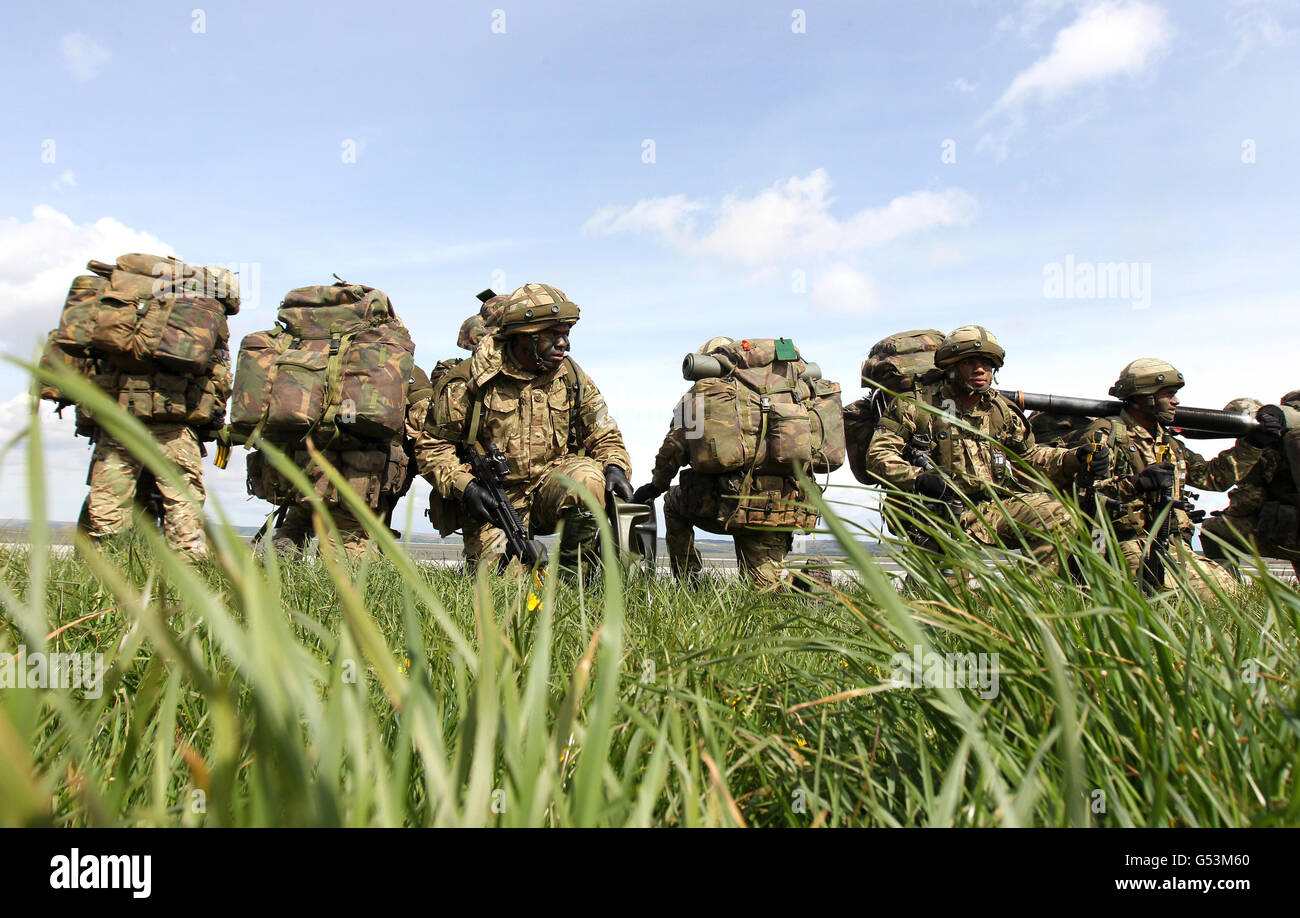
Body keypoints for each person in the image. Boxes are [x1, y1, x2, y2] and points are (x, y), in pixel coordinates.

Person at [415, 283, 632, 572]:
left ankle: (573, 578)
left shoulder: (571, 376)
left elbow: (604, 434)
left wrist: (615, 465)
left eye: (565, 335)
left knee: (589, 480)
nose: (563, 344)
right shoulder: (469, 381)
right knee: (501, 593)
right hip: (491, 501)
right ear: (523, 337)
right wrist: (465, 487)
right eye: (552, 336)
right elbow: (431, 446)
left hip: (549, 488)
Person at [866, 325, 1095, 571]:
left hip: (992, 509)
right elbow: (878, 456)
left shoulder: (999, 409)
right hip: (938, 515)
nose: (980, 369)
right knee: (953, 601)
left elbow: (1029, 455)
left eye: (987, 363)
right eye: (970, 363)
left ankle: (1034, 603)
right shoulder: (916, 406)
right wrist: (920, 479)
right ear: (951, 367)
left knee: (1056, 515)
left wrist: (1075, 457)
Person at [632, 337, 835, 590]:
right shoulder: (795, 392)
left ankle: (691, 582)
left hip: (726, 504)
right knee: (762, 590)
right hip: (785, 504)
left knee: (672, 502)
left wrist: (655, 486)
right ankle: (800, 583)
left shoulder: (701, 397)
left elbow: (673, 450)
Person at [1079, 360, 1280, 596]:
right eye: (1169, 394)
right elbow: (1088, 496)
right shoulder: (1107, 435)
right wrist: (1136, 484)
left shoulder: (1168, 441)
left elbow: (1211, 477)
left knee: (1234, 596)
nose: (1176, 401)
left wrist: (1254, 444)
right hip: (1126, 545)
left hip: (1172, 544)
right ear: (1145, 396)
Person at [80, 263, 237, 561]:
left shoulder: (133, 308)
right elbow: (219, 375)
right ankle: (188, 561)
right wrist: (213, 414)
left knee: (110, 492)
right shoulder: (203, 315)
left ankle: (104, 563)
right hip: (173, 419)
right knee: (182, 495)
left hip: (117, 414)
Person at [1198, 393, 1300, 579]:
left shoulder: (1261, 447)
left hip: (1290, 532)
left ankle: (1229, 589)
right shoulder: (1291, 436)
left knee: (1212, 530)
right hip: (1293, 523)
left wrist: (1229, 513)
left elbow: (1251, 498)